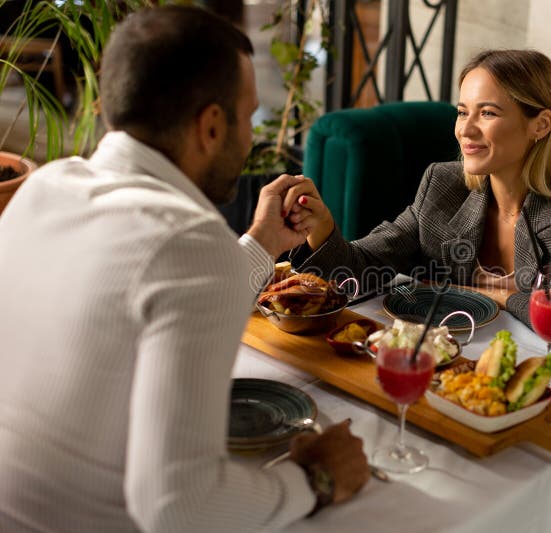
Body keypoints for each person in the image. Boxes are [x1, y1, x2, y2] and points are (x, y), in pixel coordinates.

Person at [0, 6, 368, 532]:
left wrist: (262, 243)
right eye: (247, 117)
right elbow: (179, 506)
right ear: (212, 126)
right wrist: (315, 480)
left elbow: (161, 287)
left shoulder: (43, 187)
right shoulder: (189, 244)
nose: (250, 135)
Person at [282, 49, 551, 358]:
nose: (466, 130)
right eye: (463, 112)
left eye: (487, 113)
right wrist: (322, 228)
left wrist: (500, 296)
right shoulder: (443, 185)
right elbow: (357, 270)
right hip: (462, 361)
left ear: (541, 124)